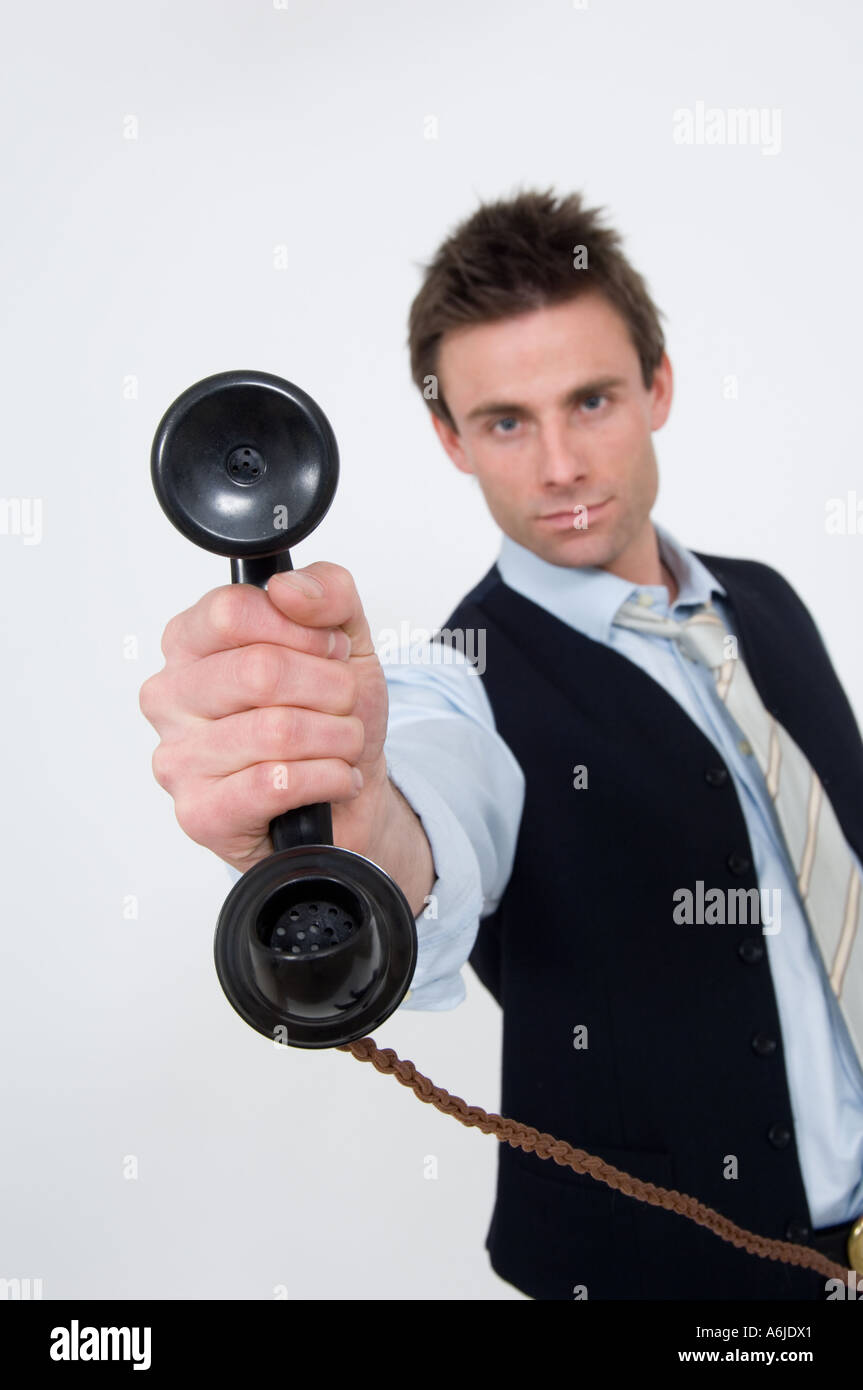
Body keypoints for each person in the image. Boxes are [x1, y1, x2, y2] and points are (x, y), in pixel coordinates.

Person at [139, 187, 863, 1301]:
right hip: (664, 1278)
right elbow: (432, 808)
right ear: (450, 437)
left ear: (656, 387)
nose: (560, 464)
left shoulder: (766, 601)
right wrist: (366, 823)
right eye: (506, 421)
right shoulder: (450, 679)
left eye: (590, 399)